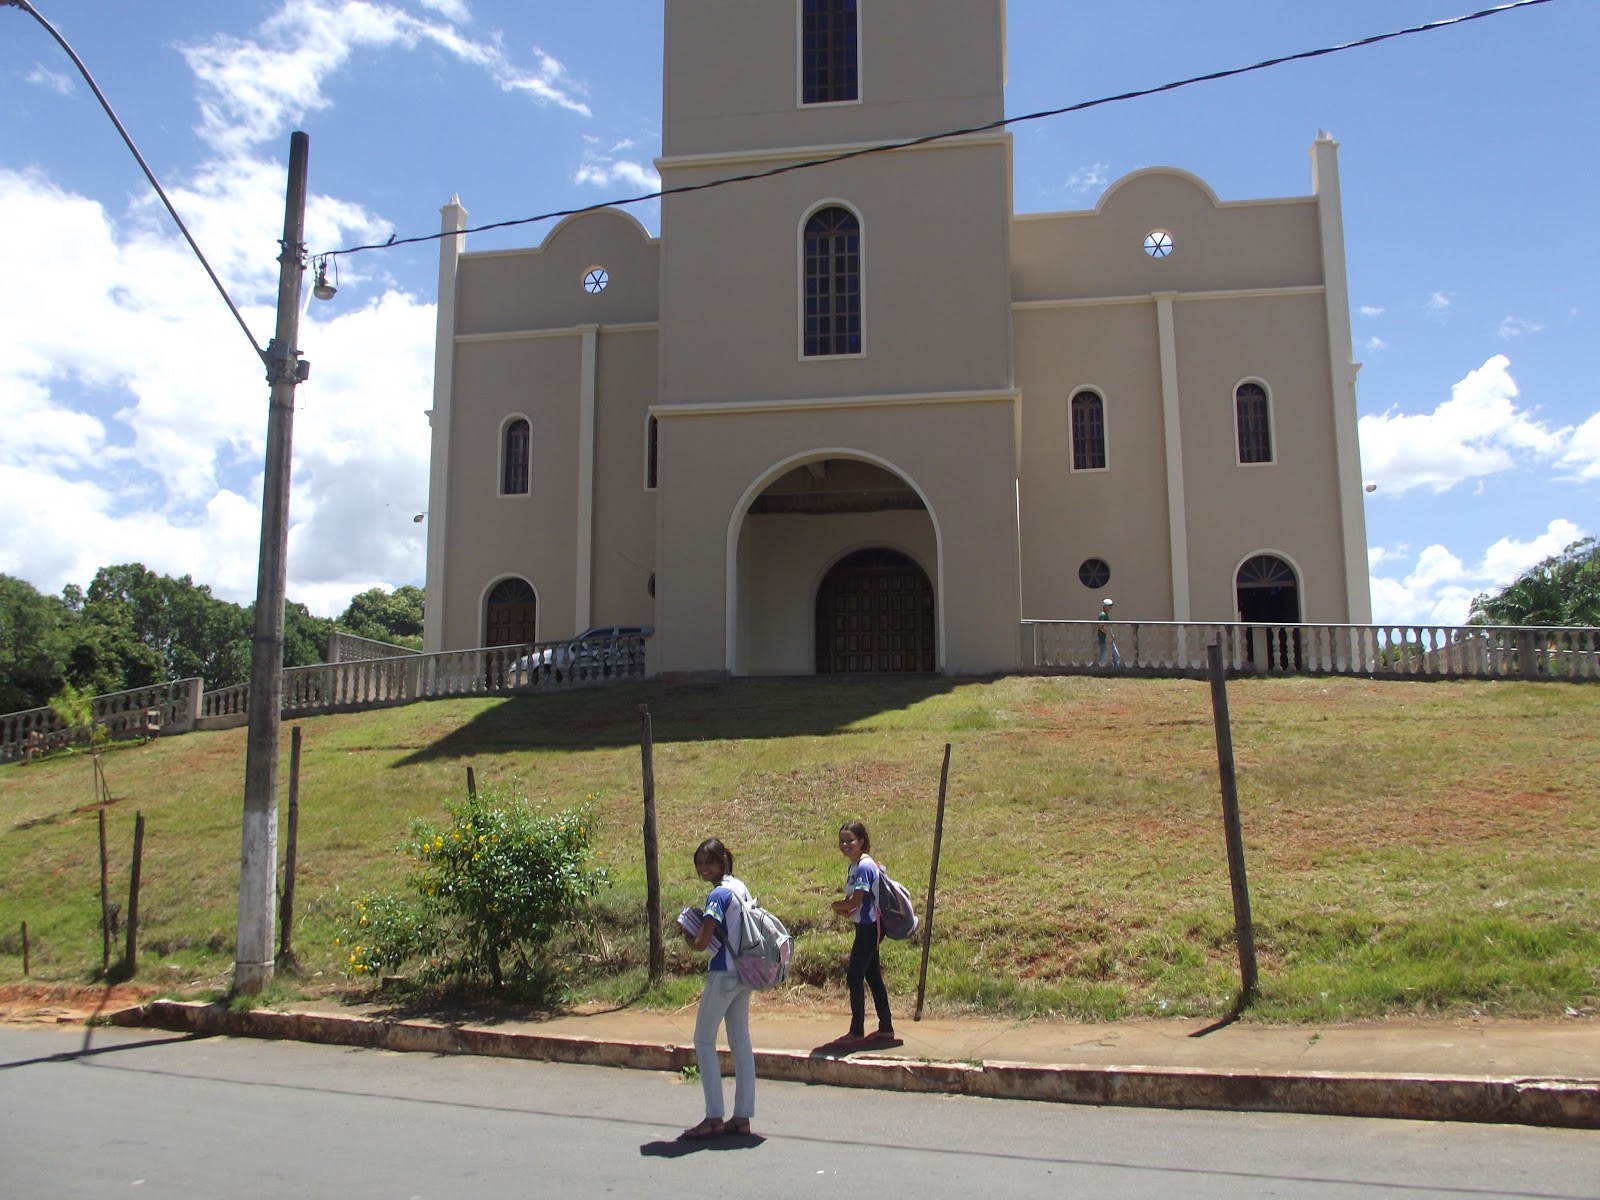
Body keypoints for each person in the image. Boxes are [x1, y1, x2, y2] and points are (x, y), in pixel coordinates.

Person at [679, 837, 756, 1139]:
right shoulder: (739, 887)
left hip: (723, 974)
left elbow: (701, 943)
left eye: (709, 862)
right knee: (741, 1044)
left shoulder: (717, 896)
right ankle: (742, 1117)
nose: (704, 868)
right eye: (700, 863)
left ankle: (713, 1117)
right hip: (744, 974)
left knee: (703, 1040)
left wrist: (688, 935)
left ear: (723, 860)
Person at [830, 821, 897, 1046]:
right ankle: (886, 1028)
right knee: (872, 976)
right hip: (865, 925)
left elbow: (856, 901)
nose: (845, 844)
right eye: (842, 841)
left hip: (871, 927)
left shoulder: (864, 867)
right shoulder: (855, 866)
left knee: (854, 976)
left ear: (861, 841)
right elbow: (855, 900)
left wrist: (835, 905)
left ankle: (857, 1030)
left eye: (850, 840)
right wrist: (844, 907)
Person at [1097, 597, 1121, 667]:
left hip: (1108, 640)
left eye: (1111, 606)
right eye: (1109, 606)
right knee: (1102, 657)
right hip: (1104, 640)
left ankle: (1117, 669)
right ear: (1104, 606)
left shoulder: (1105, 615)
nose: (1110, 608)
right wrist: (1109, 635)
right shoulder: (1103, 615)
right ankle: (1095, 669)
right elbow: (1101, 626)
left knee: (1116, 657)